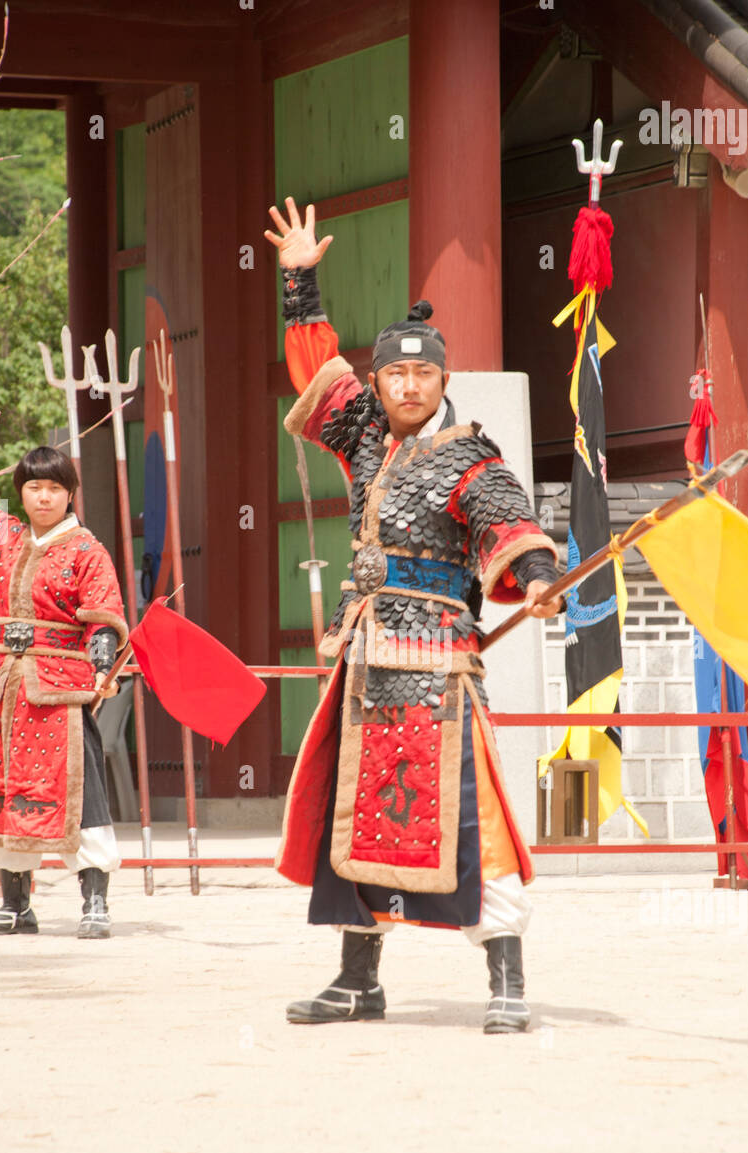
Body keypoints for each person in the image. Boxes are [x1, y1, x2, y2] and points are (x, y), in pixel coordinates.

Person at [265, 198, 564, 1034]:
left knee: (472, 815)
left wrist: (538, 573)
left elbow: (508, 521)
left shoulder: (471, 453)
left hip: (437, 660)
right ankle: (358, 981)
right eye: (392, 374)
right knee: (352, 809)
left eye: (420, 375)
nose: (404, 386)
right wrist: (300, 279)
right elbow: (313, 365)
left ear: (442, 380)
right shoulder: (362, 431)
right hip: (366, 657)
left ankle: (505, 979)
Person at [0, 398, 128, 939]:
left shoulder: (86, 550)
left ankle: (95, 902)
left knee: (81, 791)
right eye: (34, 487)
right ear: (23, 493)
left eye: (54, 488)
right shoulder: (5, 540)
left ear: (69, 494)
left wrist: (103, 651)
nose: (44, 496)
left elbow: (104, 614)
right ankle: (17, 905)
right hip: (2, 687)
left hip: (59, 688)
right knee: (4, 787)